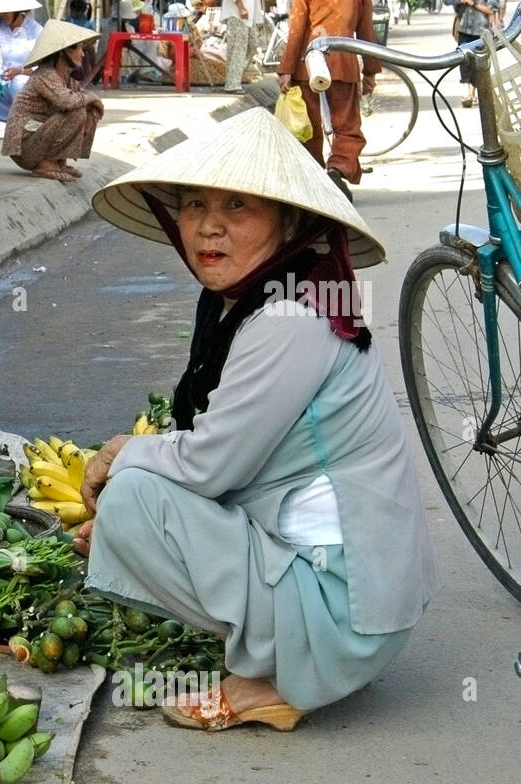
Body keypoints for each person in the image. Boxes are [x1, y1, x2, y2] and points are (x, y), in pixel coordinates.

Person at [82, 108, 439, 731]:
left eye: (238, 207)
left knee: (135, 497)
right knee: (150, 485)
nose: (208, 227)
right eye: (193, 206)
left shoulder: (288, 319)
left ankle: (275, 674)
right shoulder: (268, 299)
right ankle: (278, 642)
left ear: (290, 223)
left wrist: (120, 452)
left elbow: (209, 465)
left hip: (347, 613)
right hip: (356, 588)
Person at [277, 0, 382, 200]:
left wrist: (286, 69)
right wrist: (370, 71)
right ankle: (337, 169)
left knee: (308, 128)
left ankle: (312, 179)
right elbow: (366, 30)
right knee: (347, 126)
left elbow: (297, 28)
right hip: (342, 59)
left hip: (308, 63)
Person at [2, 20, 104, 181]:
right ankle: (46, 164)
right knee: (76, 110)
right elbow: (67, 101)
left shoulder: (65, 78)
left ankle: (58, 161)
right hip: (24, 146)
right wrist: (93, 97)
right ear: (62, 52)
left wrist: (93, 103)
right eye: (76, 48)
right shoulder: (45, 75)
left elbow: (79, 95)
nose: (82, 53)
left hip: (37, 136)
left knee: (87, 111)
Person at [0, 0, 45, 121]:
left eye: (7, 11)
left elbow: (42, 66)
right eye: (0, 12)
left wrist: (19, 71)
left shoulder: (35, 30)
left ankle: (25, 120)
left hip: (27, 83)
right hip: (4, 81)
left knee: (18, 82)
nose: (3, 15)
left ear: (17, 10)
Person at [453, 0, 503, 107]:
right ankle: (467, 93)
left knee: (478, 63)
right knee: (463, 61)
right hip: (464, 30)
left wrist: (473, 4)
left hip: (481, 32)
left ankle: (471, 93)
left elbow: (491, 10)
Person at [221, 0, 262, 93]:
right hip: (237, 12)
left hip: (249, 13)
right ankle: (232, 84)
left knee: (253, 44)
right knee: (238, 48)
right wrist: (241, 7)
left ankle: (233, 78)